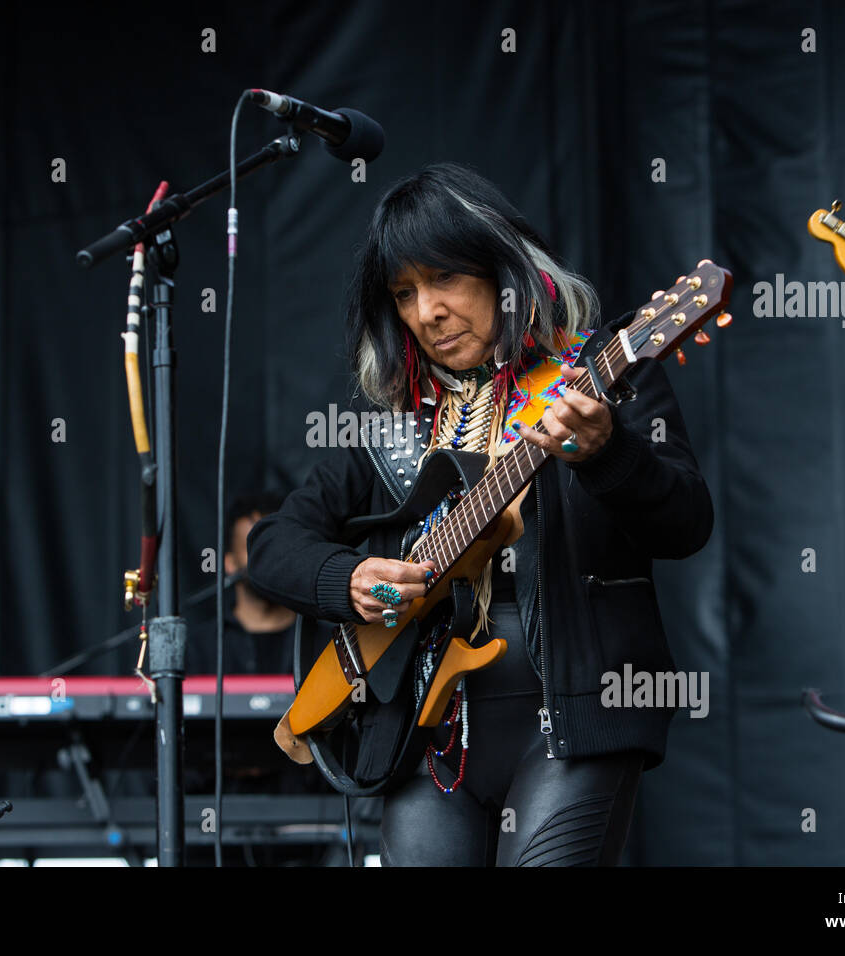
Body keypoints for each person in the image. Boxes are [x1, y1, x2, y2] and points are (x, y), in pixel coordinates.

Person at [247, 162, 713, 866]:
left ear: (504, 272)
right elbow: (272, 545)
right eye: (403, 293)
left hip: (574, 724)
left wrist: (608, 454)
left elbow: (686, 523)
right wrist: (346, 578)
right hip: (427, 740)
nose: (425, 310)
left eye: (445, 279)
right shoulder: (394, 434)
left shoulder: (603, 373)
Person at [189, 491, 299, 675]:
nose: (269, 558)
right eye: (255, 548)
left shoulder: (324, 641)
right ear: (229, 562)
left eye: (277, 546)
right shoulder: (199, 648)